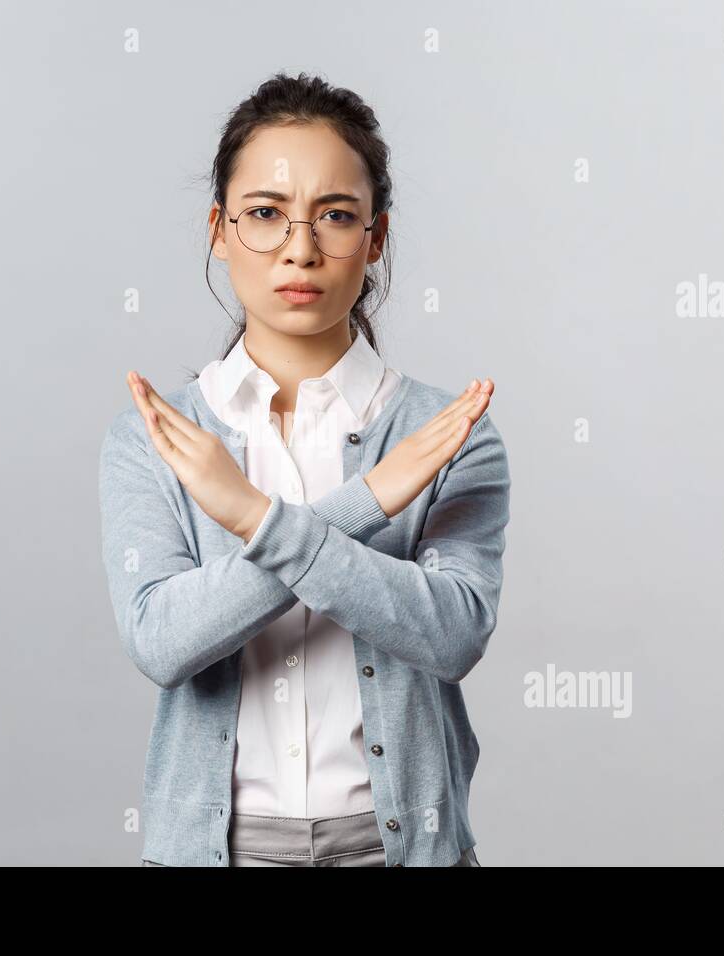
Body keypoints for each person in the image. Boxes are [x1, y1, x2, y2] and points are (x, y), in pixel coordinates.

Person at [98, 72, 510, 866]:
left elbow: (454, 634)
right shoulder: (156, 436)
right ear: (219, 229)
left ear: (376, 238)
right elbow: (162, 642)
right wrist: (367, 504)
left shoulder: (447, 433)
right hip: (213, 852)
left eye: (336, 217)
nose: (300, 248)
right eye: (264, 214)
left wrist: (254, 517)